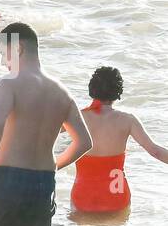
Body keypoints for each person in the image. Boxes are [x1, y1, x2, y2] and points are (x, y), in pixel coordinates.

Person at [0, 22, 92, 226]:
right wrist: (54, 165)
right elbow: (84, 142)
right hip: (44, 182)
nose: (2, 62)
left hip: (8, 177)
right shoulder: (62, 92)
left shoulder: (9, 82)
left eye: (3, 54)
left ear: (18, 49)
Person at [63, 66, 168, 213]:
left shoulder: (77, 117)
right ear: (118, 91)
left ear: (92, 88)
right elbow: (155, 151)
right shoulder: (128, 120)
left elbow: (45, 134)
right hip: (116, 196)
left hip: (83, 196)